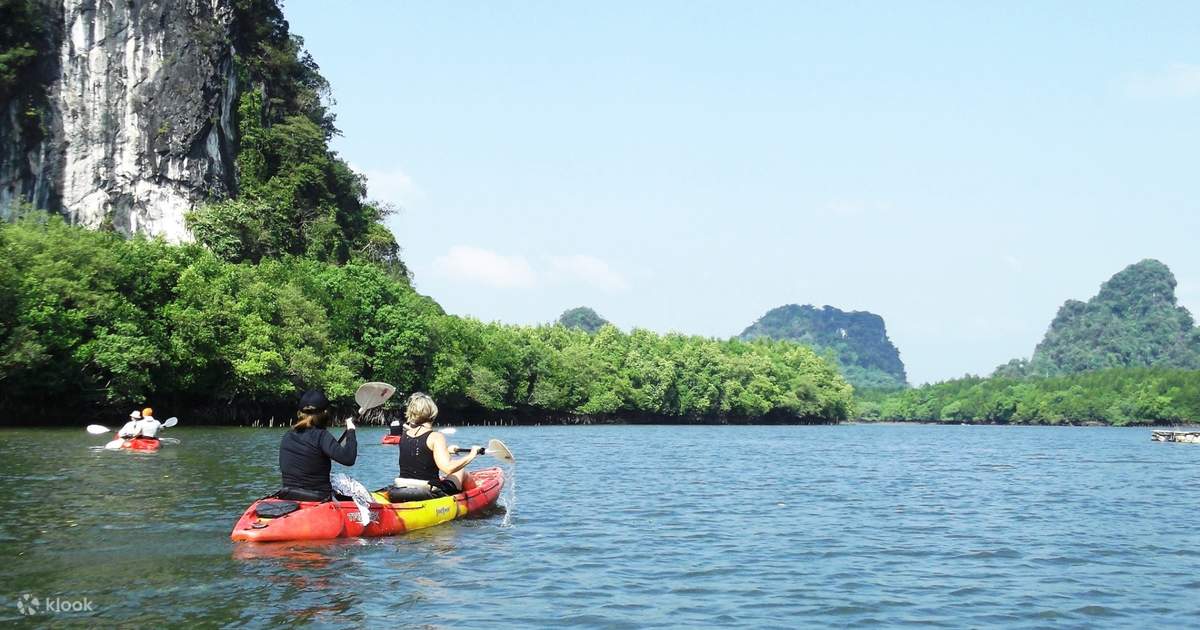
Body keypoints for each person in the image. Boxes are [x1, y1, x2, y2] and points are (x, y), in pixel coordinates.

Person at [395, 392, 482, 497]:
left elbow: (419, 455)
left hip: (402, 490)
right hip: (428, 492)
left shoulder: (404, 435)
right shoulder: (436, 436)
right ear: (432, 412)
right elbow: (448, 468)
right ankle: (477, 497)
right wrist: (472, 455)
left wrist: (446, 450)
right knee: (461, 471)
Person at [277, 389, 357, 500]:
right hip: (319, 498)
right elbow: (348, 458)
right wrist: (351, 430)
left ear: (300, 413)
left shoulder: (287, 436)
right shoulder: (321, 436)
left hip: (289, 495)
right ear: (325, 413)